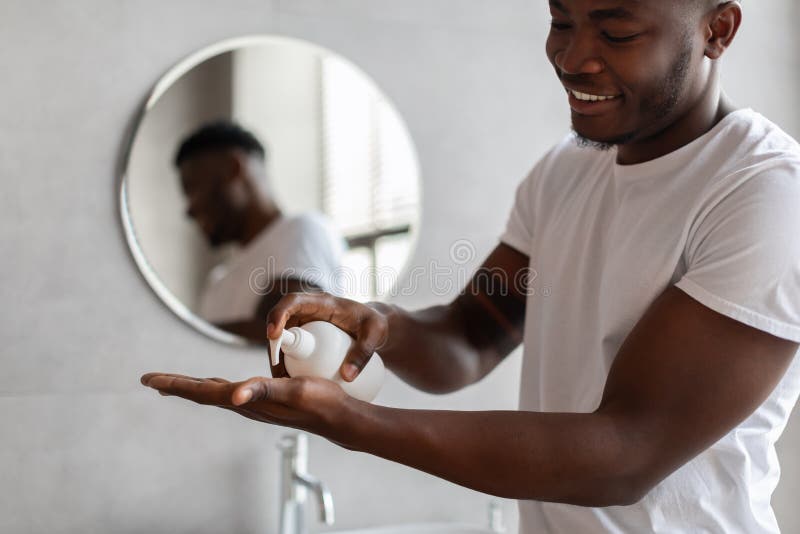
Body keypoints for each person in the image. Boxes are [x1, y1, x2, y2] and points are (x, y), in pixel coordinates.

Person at [143, 2, 800, 532]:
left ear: (718, 30)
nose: (572, 58)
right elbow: (467, 339)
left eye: (616, 29)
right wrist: (384, 325)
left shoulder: (767, 194)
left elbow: (628, 451)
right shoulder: (565, 169)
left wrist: (357, 425)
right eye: (560, 20)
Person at [174, 121, 345, 343]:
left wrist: (176, 334)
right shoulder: (217, 282)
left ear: (232, 168)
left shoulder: (302, 229)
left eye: (192, 188)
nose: (188, 209)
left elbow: (284, 330)